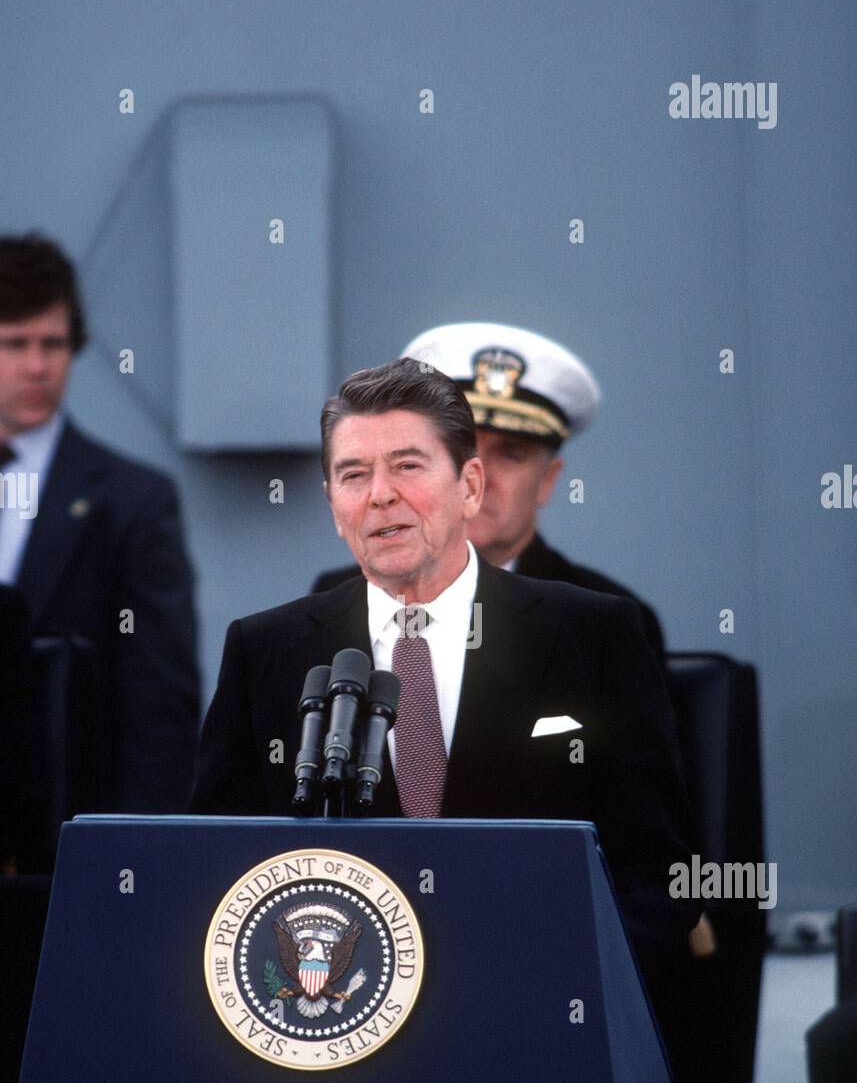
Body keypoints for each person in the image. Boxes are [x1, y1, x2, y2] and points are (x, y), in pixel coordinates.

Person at [190, 358, 695, 985]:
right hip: (334, 1018)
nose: (380, 494)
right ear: (332, 503)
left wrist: (569, 985)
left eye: (407, 465)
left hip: (537, 1007)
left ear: (470, 486)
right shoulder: (267, 649)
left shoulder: (592, 635)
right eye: (353, 474)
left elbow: (655, 869)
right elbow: (216, 865)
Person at [312, 322, 665, 660]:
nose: (480, 476)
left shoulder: (600, 620)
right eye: (461, 451)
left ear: (547, 480)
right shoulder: (335, 597)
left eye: (511, 453)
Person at [0, 233, 200, 816]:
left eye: (54, 344)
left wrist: (135, 856)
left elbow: (161, 706)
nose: (38, 366)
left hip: (61, 839)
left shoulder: (134, 500)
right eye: (15, 344)